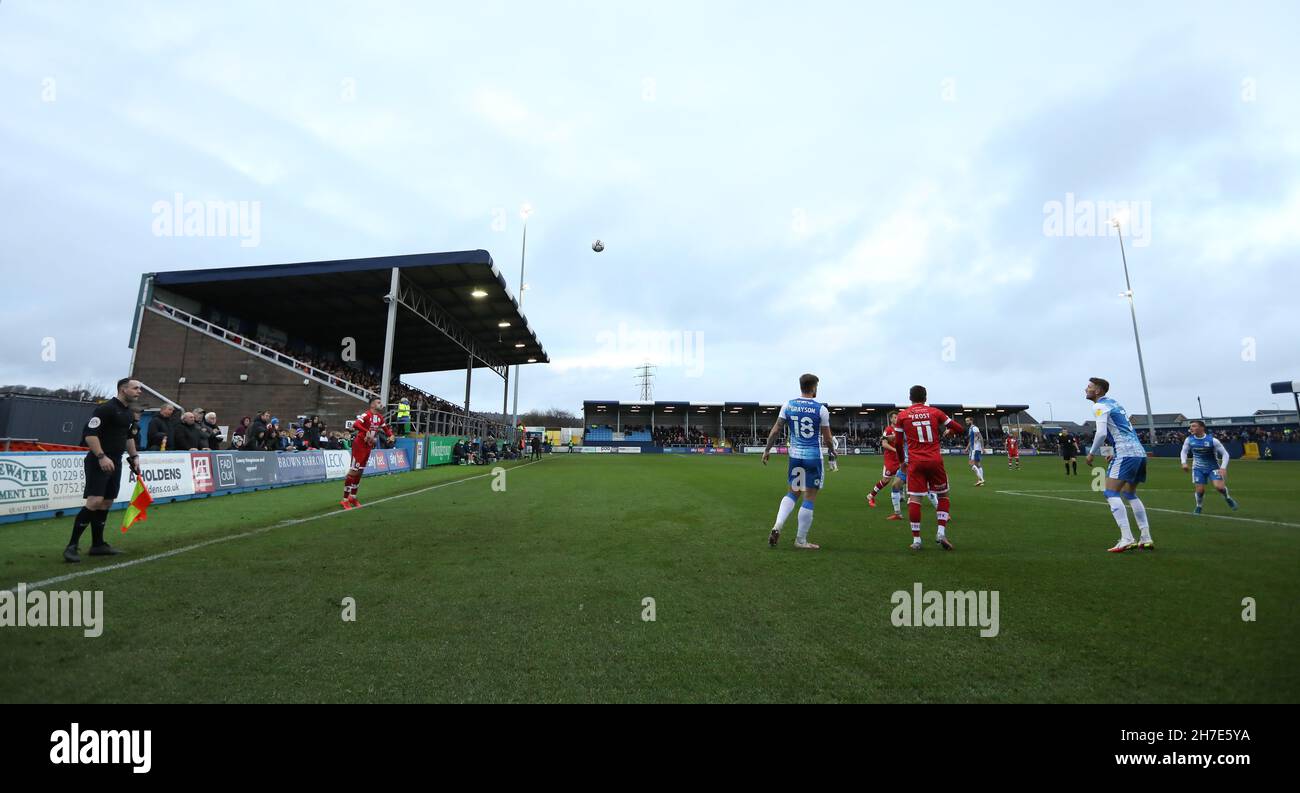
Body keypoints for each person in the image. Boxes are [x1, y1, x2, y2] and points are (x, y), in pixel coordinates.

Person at [65, 378, 142, 562]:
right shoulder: (105, 409)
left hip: (116, 461)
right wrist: (101, 456)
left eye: (140, 388)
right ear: (123, 389)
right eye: (135, 388)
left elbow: (129, 437)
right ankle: (71, 546)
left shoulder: (129, 413)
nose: (139, 391)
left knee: (107, 502)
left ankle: (98, 545)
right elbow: (90, 435)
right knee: (94, 501)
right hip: (99, 461)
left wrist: (134, 457)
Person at [762, 373, 836, 550]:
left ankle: (777, 525)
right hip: (813, 459)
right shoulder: (821, 409)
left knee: (792, 493)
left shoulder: (788, 405)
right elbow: (827, 438)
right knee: (809, 497)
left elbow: (775, 430)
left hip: (795, 457)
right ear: (814, 388)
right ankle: (801, 540)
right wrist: (833, 452)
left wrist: (767, 450)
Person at [1084, 377, 1154, 552]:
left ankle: (1126, 538)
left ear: (1098, 390)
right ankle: (1145, 536)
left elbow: (1100, 433)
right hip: (1139, 452)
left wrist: (1092, 453)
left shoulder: (1098, 406)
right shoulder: (1115, 403)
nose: (1086, 389)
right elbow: (1115, 430)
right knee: (1130, 493)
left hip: (1125, 453)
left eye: (1089, 387)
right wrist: (1110, 452)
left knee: (1110, 492)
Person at [893, 385, 964, 551]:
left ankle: (917, 540)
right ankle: (941, 532)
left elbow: (897, 442)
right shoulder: (935, 412)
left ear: (910, 398)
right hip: (935, 460)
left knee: (915, 499)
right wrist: (948, 432)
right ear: (925, 397)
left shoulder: (903, 416)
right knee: (943, 495)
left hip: (915, 462)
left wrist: (902, 461)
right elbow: (959, 429)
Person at [341, 397, 395, 509]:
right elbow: (355, 425)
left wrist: (391, 435)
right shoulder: (366, 415)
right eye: (378, 402)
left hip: (368, 446)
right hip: (359, 445)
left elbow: (386, 429)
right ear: (372, 405)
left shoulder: (379, 418)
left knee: (360, 472)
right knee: (354, 471)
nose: (381, 404)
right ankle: (345, 499)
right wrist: (367, 432)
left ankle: (353, 497)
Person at [1181, 420, 1239, 514]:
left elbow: (1225, 454)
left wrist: (1223, 467)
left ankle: (1227, 498)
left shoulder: (1212, 440)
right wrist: (1184, 463)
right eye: (1191, 426)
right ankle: (1198, 506)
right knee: (1200, 490)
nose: (1191, 428)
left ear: (1202, 428)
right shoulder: (1189, 439)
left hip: (1213, 467)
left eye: (1194, 426)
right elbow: (1183, 451)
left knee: (1219, 487)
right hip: (1198, 468)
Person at [866, 410, 907, 519]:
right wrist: (895, 450)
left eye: (897, 417)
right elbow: (884, 444)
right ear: (890, 419)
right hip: (891, 460)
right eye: (894, 417)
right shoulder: (888, 429)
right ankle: (870, 496)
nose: (896, 419)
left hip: (900, 459)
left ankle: (902, 495)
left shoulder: (900, 429)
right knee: (886, 481)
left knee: (905, 477)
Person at [964, 417, 986, 486]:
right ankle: (980, 481)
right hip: (974, 448)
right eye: (966, 421)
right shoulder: (971, 429)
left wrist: (982, 447)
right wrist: (967, 448)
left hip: (974, 449)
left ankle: (981, 479)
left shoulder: (974, 428)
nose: (966, 422)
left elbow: (980, 437)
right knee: (978, 464)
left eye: (967, 421)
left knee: (971, 463)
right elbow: (971, 440)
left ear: (971, 421)